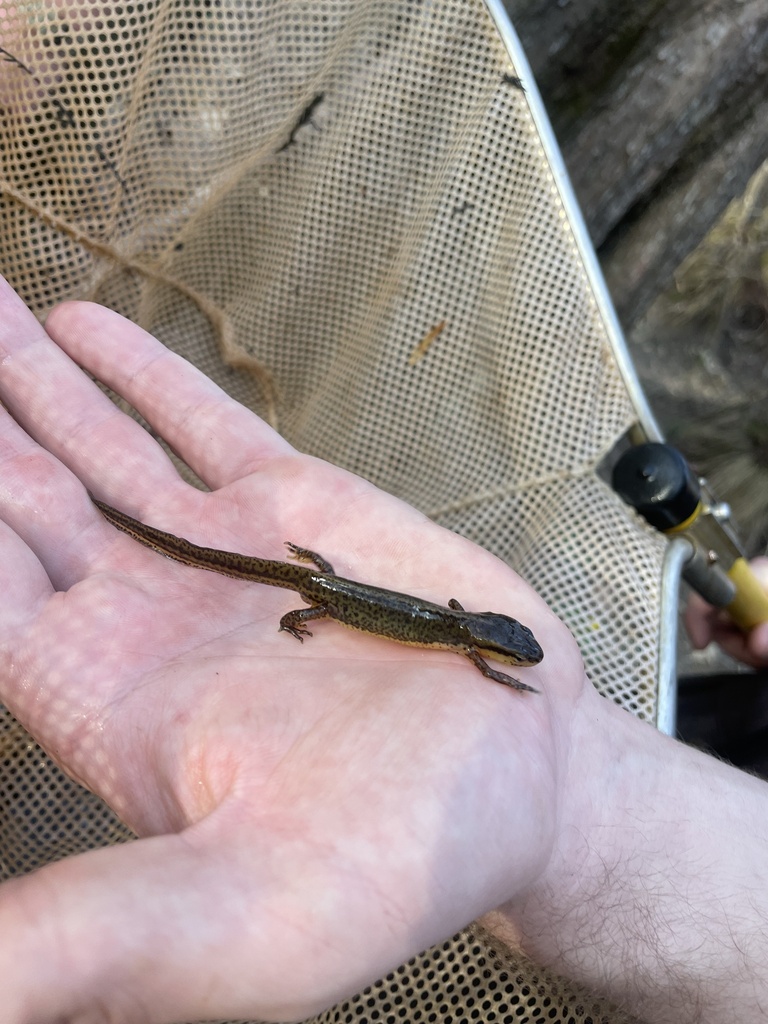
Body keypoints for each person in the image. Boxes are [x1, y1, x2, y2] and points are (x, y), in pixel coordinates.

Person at [0, 272, 767, 1024]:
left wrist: (567, 781)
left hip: (343, 592)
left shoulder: (465, 632)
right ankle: (242, 579)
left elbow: (481, 640)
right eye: (513, 655)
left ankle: (271, 583)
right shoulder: (467, 645)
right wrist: (310, 603)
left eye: (514, 655)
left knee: (296, 584)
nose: (514, 659)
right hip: (331, 594)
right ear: (490, 644)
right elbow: (473, 651)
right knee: (283, 585)